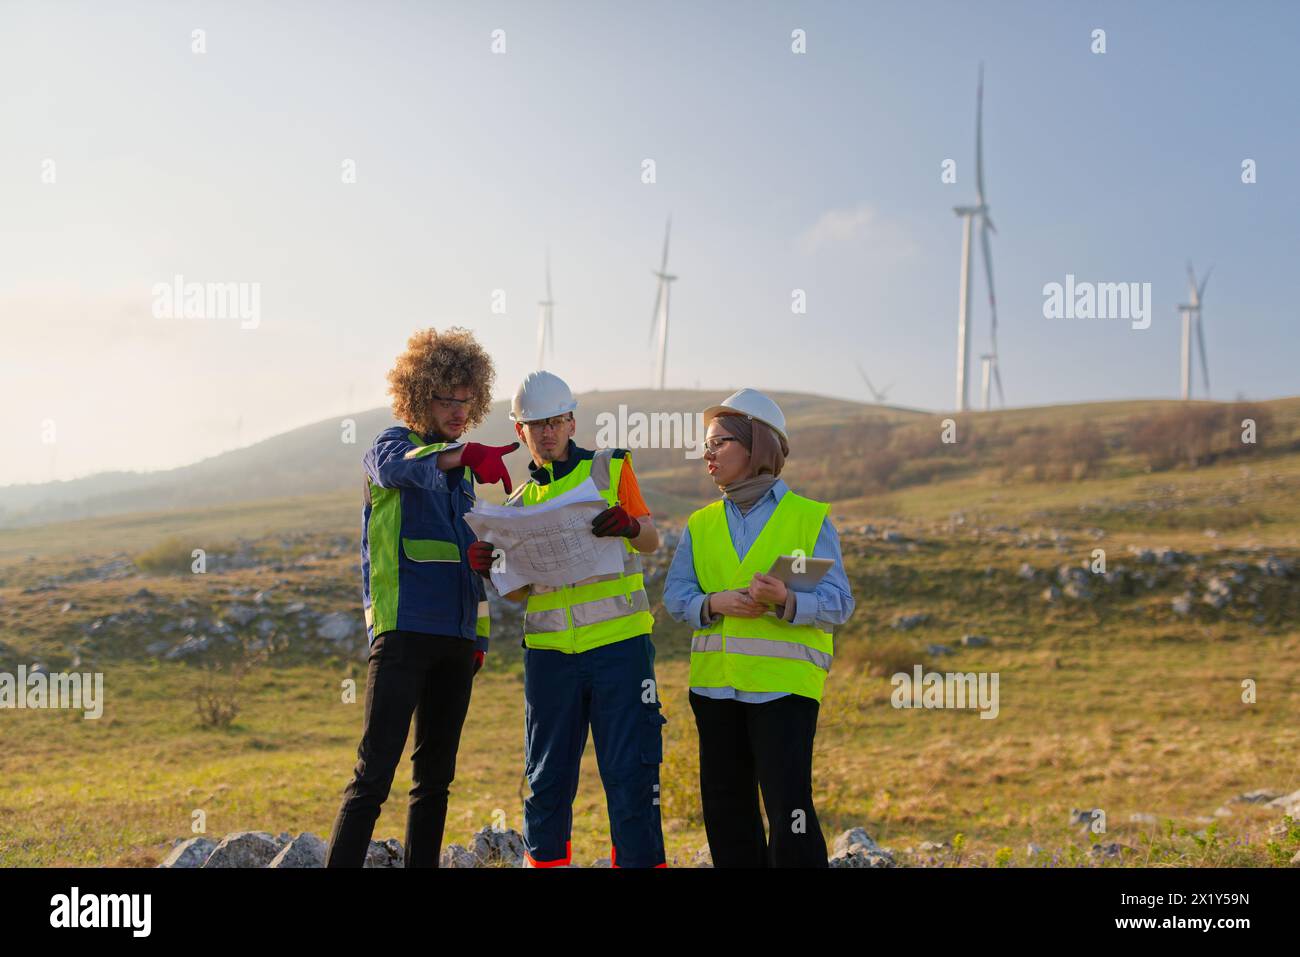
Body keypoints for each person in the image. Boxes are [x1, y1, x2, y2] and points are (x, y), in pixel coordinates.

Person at [325, 327, 519, 868]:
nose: (458, 411)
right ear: (418, 395)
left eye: (465, 400)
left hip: (456, 639)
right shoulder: (393, 445)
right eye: (445, 398)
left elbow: (469, 567)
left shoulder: (463, 478)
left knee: (435, 780)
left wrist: (480, 630)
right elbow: (395, 470)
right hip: (404, 630)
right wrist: (460, 456)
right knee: (374, 775)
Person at [467, 371, 667, 868]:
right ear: (521, 432)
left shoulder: (609, 469)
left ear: (572, 420)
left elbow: (651, 539)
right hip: (551, 657)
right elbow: (520, 590)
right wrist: (492, 567)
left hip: (620, 648)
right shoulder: (515, 507)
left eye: (557, 421)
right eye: (537, 425)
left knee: (630, 774)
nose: (549, 432)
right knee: (547, 778)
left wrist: (629, 524)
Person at [663, 388, 855, 867]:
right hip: (715, 691)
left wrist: (787, 600)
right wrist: (712, 603)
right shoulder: (700, 523)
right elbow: (675, 596)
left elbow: (839, 603)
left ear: (759, 446)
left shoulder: (807, 518)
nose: (707, 454)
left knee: (790, 811)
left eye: (719, 442)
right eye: (705, 445)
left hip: (784, 691)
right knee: (727, 813)